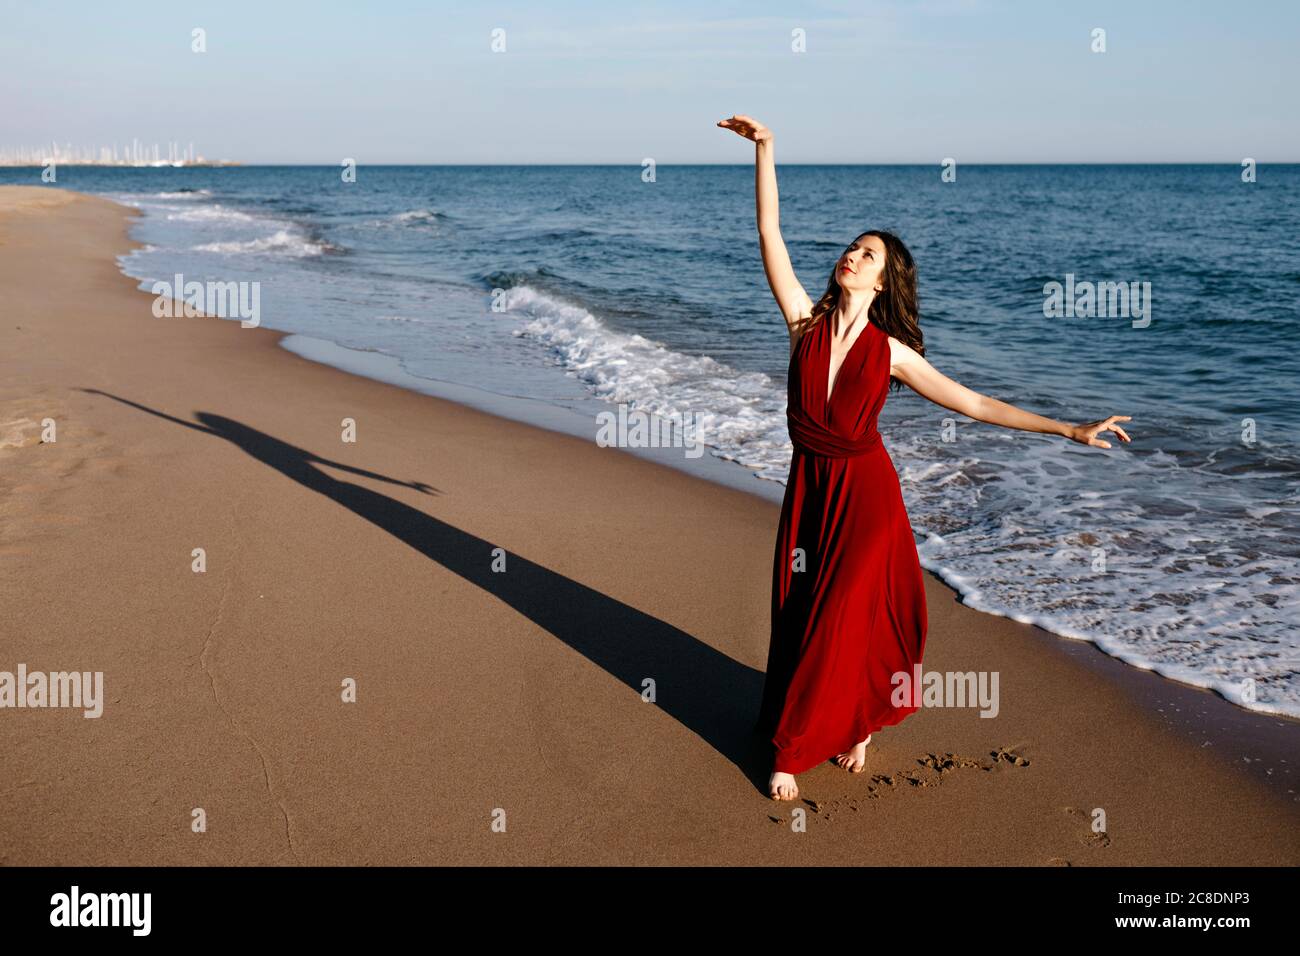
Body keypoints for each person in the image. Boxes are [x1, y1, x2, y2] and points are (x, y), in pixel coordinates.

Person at [717, 115, 1133, 801]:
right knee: (801, 610)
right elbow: (769, 233)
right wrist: (767, 151)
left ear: (882, 284)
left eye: (869, 255)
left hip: (868, 497)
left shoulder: (895, 355)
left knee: (843, 611)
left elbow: (973, 405)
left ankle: (792, 749)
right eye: (853, 248)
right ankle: (853, 718)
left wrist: (1067, 429)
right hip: (810, 490)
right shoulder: (803, 324)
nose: (853, 256)